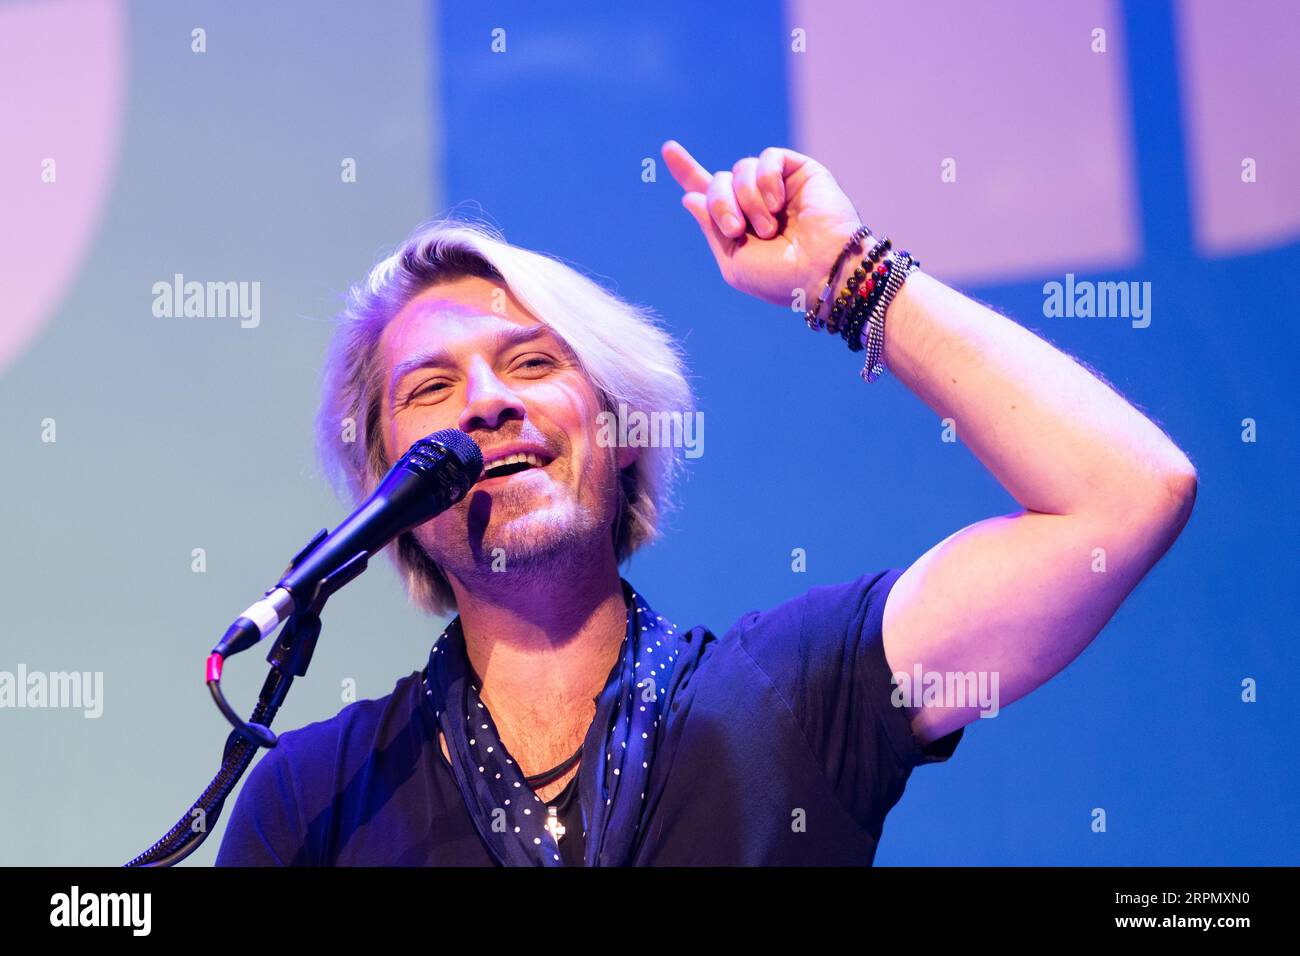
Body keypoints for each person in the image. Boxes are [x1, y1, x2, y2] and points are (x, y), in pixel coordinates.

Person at [214, 141, 1196, 866]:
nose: (486, 399)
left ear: (622, 422)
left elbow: (1125, 495)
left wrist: (849, 275)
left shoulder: (800, 690)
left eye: (531, 361)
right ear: (386, 487)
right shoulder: (313, 798)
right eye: (430, 389)